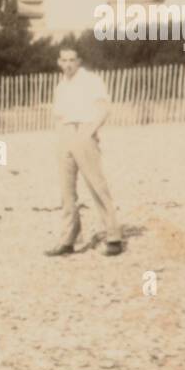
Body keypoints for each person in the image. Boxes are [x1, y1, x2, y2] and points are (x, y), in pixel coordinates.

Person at [47, 48, 124, 257]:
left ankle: (114, 236)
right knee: (66, 191)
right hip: (65, 133)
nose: (68, 64)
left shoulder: (91, 80)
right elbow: (58, 115)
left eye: (72, 60)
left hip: (83, 131)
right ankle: (68, 240)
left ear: (79, 61)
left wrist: (89, 131)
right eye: (64, 60)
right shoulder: (61, 86)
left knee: (96, 185)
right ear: (59, 63)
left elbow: (104, 108)